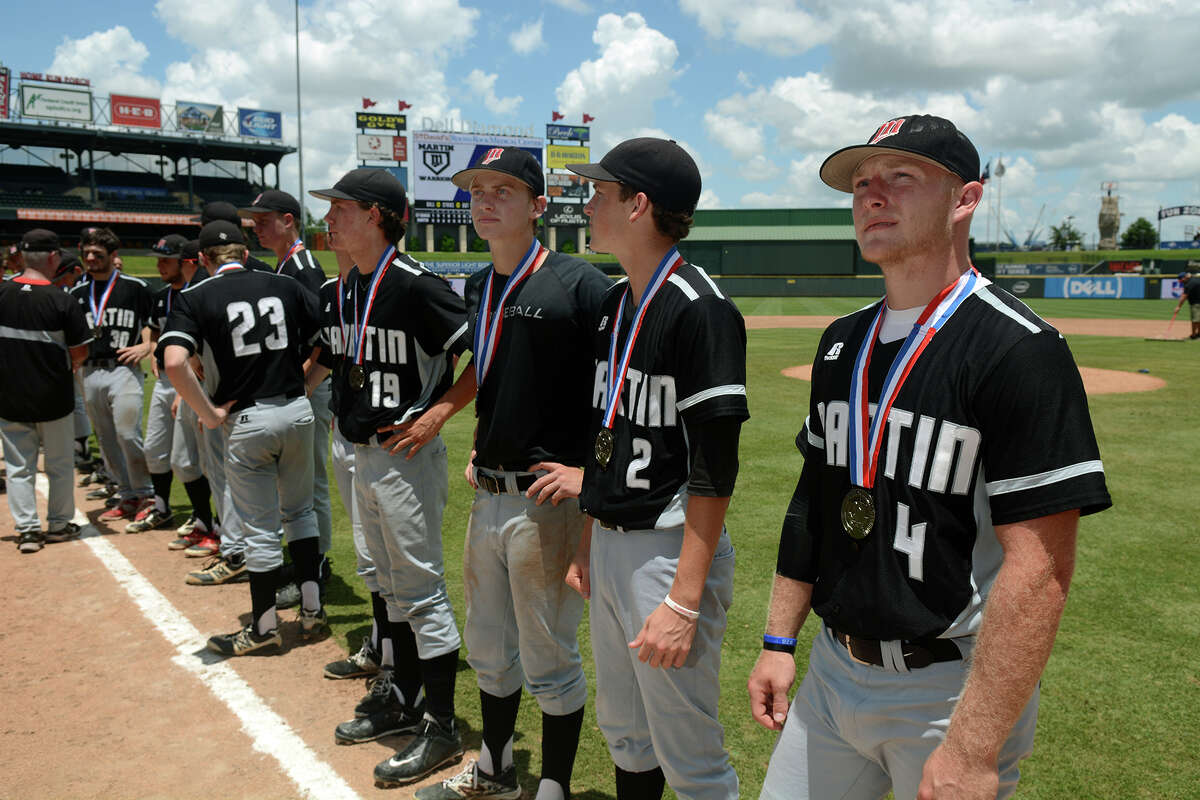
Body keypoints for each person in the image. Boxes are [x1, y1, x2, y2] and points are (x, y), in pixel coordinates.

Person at [748, 115, 1113, 800]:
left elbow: (1041, 568)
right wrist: (778, 641)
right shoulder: (840, 342)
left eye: (900, 177)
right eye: (860, 184)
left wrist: (973, 747)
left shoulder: (1018, 348)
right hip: (831, 669)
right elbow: (813, 506)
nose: (872, 196)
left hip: (946, 688)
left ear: (964, 199)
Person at [414, 147, 611, 800]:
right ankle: (496, 773)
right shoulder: (479, 285)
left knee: (550, 657)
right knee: (490, 650)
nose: (486, 200)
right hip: (490, 494)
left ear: (538, 204)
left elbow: (613, 392)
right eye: (476, 190)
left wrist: (589, 470)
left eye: (503, 188)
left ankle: (552, 788)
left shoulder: (582, 285)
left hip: (547, 503)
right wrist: (480, 440)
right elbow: (500, 376)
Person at [565, 138, 748, 800]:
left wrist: (685, 599)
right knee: (627, 733)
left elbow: (714, 470)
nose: (587, 204)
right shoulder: (616, 304)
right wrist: (588, 542)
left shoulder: (700, 307)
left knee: (690, 754)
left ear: (638, 205)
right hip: (614, 544)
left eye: (600, 193)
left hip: (667, 555)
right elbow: (603, 438)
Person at [309, 168, 469, 787]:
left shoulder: (414, 286)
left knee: (421, 589)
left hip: (403, 457)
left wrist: (439, 413)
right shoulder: (345, 287)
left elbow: (484, 351)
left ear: (376, 215)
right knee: (389, 586)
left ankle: (444, 727)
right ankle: (403, 698)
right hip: (359, 451)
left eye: (341, 208)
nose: (331, 218)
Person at [160, 220, 325, 656]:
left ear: (202, 260)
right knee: (301, 512)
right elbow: (332, 342)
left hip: (246, 419)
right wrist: (305, 386)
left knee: (259, 529)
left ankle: (265, 626)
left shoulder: (194, 296)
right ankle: (312, 611)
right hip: (296, 410)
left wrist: (210, 414)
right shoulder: (281, 284)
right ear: (245, 252)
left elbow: (175, 362)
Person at [240, 189, 333, 605]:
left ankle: (316, 566)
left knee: (308, 483)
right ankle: (304, 562)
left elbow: (325, 332)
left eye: (264, 219)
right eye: (254, 221)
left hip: (309, 386)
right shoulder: (286, 264)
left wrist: (306, 382)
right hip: (300, 386)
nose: (255, 227)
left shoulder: (302, 265)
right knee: (295, 484)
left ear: (289, 220)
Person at [0, 229, 92, 552]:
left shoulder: (2, 292)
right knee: (59, 465)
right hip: (54, 398)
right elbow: (79, 354)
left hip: (9, 396)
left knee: (19, 467)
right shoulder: (61, 299)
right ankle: (57, 525)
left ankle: (26, 531)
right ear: (53, 258)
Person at [69, 227, 155, 521]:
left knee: (127, 433)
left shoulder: (136, 287)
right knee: (105, 438)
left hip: (123, 369)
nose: (91, 258)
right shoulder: (77, 292)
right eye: (87, 253)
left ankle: (146, 493)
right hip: (90, 371)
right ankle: (126, 494)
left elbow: (155, 326)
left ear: (113, 255)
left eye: (98, 254)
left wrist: (147, 346)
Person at [127, 234, 211, 535]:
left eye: (166, 260)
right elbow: (152, 326)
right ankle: (163, 508)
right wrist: (150, 346)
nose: (161, 265)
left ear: (184, 262)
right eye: (158, 260)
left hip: (186, 383)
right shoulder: (162, 295)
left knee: (190, 459)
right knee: (154, 449)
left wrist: (183, 388)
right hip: (164, 380)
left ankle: (206, 519)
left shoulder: (198, 293)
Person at [1172, 270, 1200, 339]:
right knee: (1198, 320)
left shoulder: (1189, 284)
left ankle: (1193, 335)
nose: (1180, 281)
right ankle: (1198, 334)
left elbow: (1184, 296)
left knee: (1195, 320)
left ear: (1185, 277)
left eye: (1180, 279)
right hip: (1197, 302)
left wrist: (1178, 307)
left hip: (1196, 303)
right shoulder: (1194, 279)